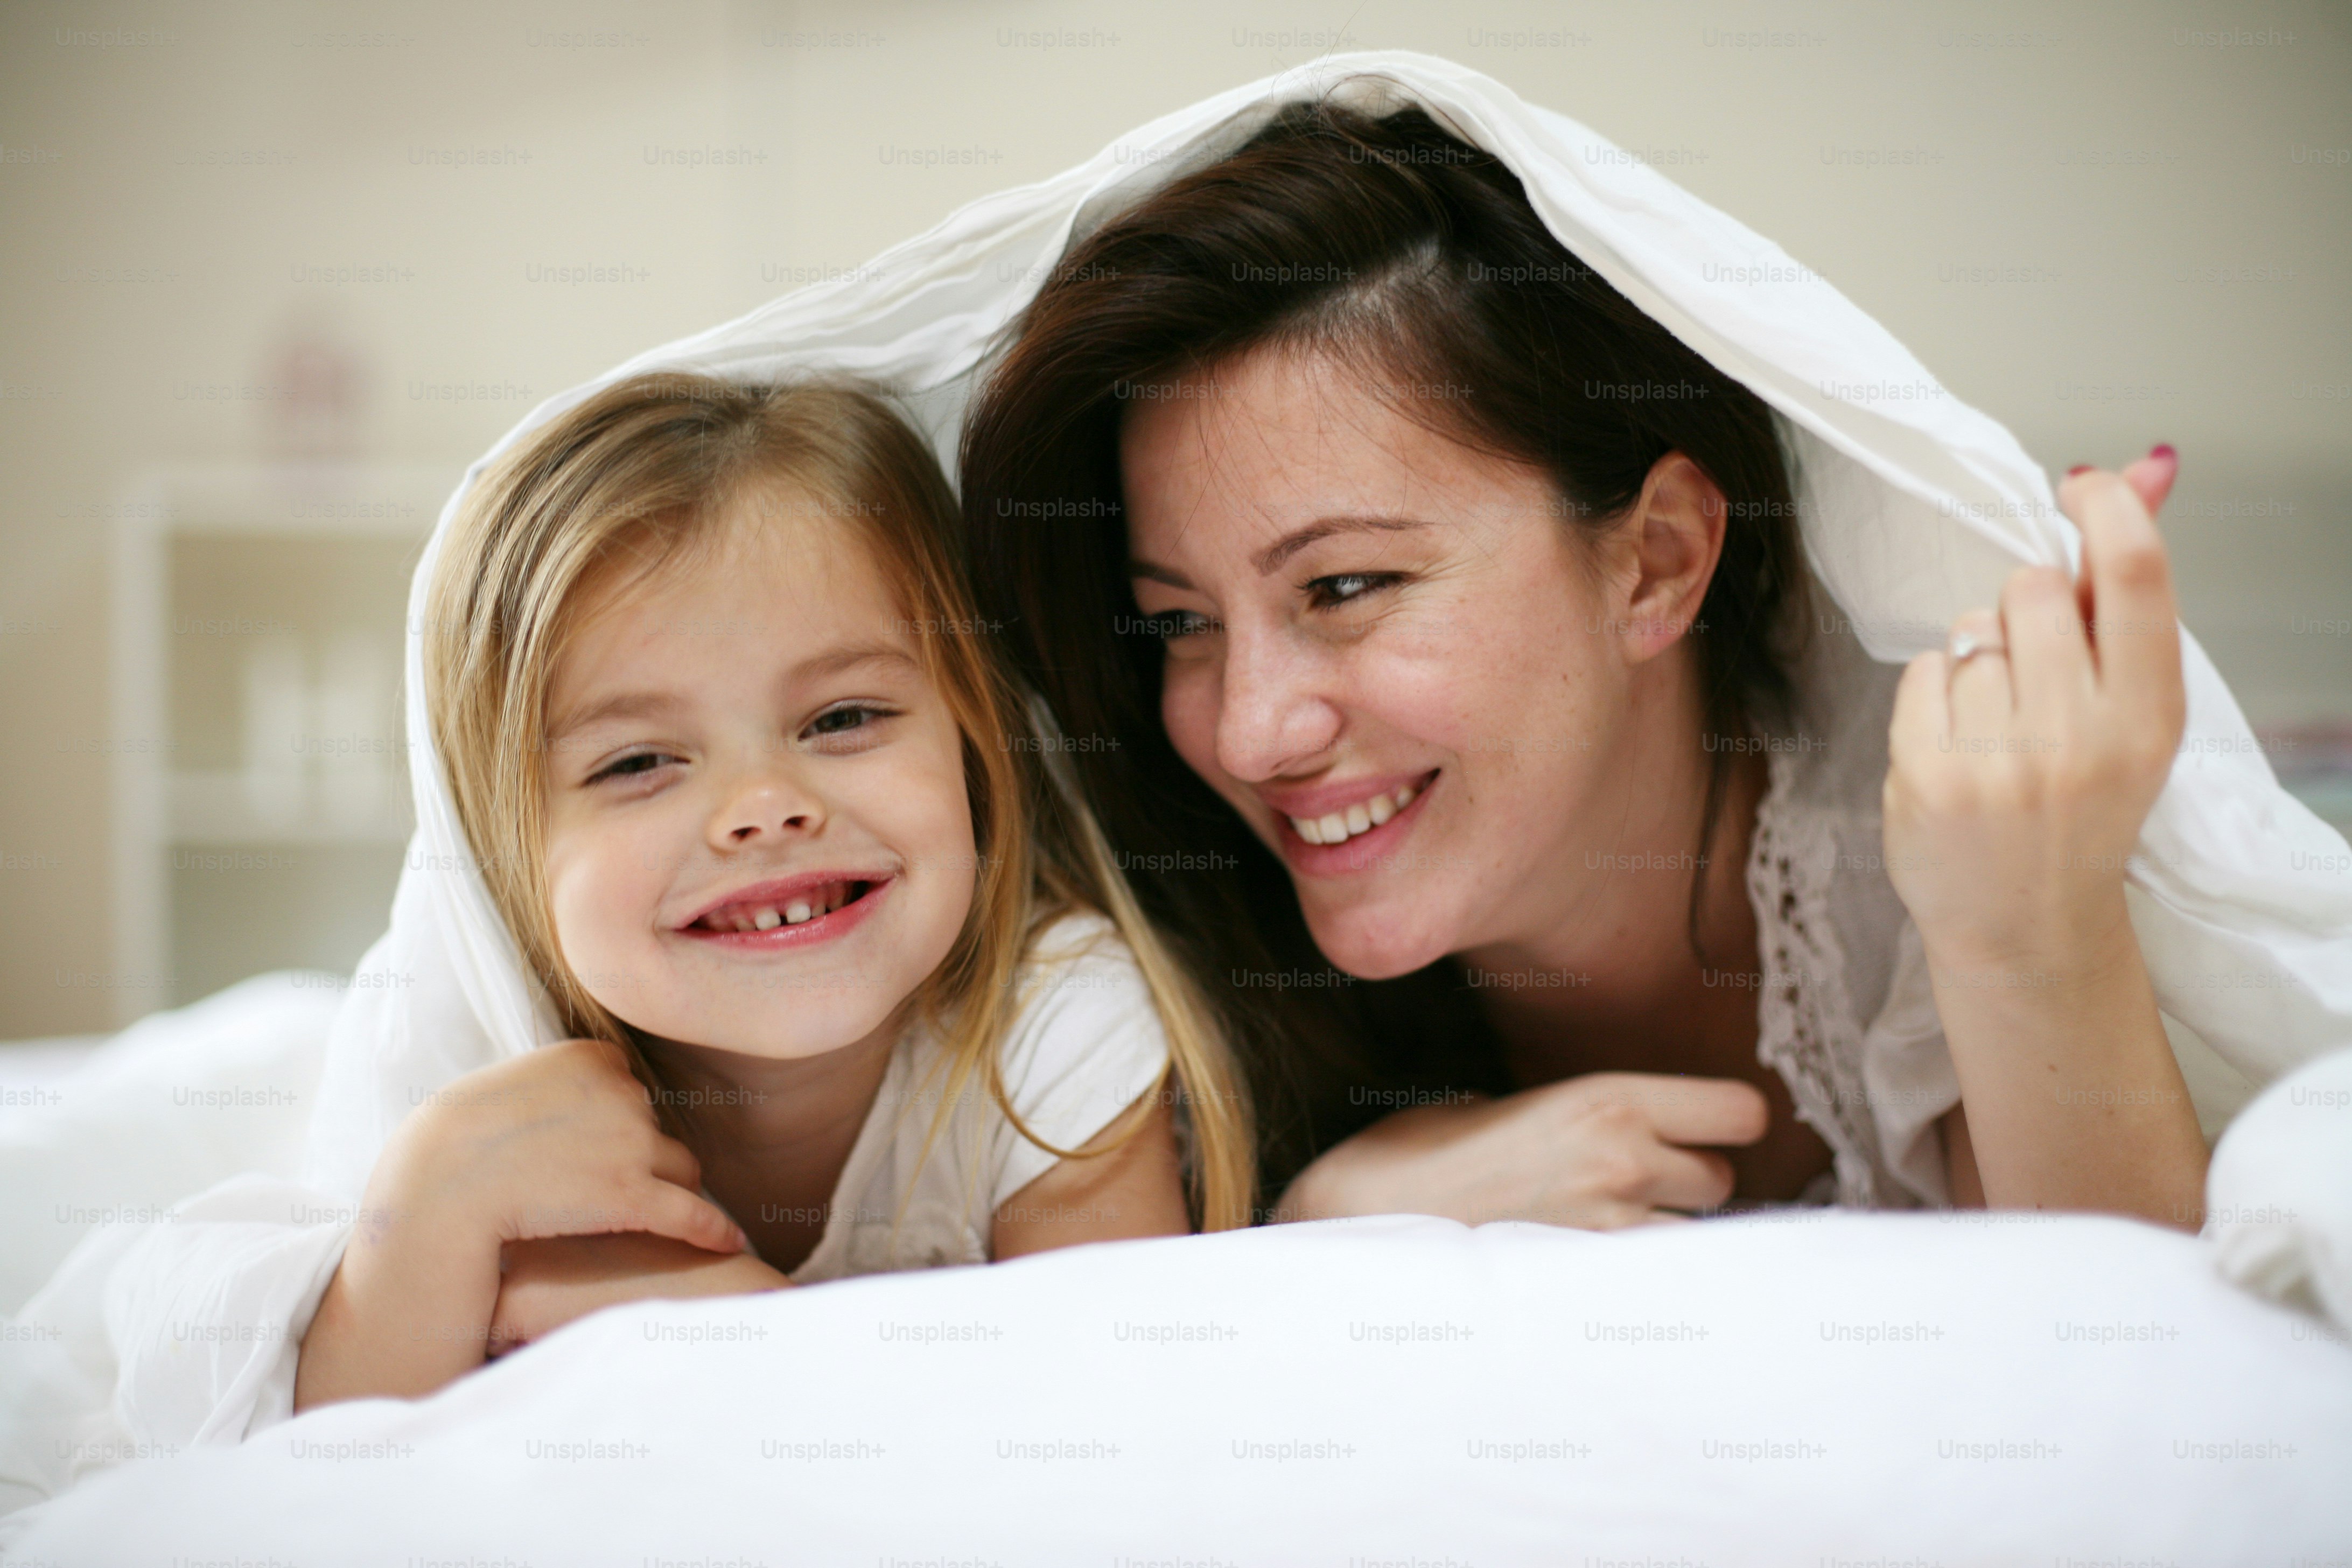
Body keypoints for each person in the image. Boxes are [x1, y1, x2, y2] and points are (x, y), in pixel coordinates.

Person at [960, 100, 2223, 1229]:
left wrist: (2029, 940)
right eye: (1183, 623)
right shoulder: (1140, 990)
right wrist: (1331, 1210)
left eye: (1345, 588)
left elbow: (2124, 1374)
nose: (1247, 735)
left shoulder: (1935, 880)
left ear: (1657, 561)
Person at [290, 371, 1252, 1408]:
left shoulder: (1053, 1032)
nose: (763, 806)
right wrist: (425, 1226)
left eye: (842, 718)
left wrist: (737, 1319)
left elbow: (1102, 1430)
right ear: (501, 856)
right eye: (637, 763)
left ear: (973, 740)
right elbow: (319, 1481)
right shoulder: (460, 1081)